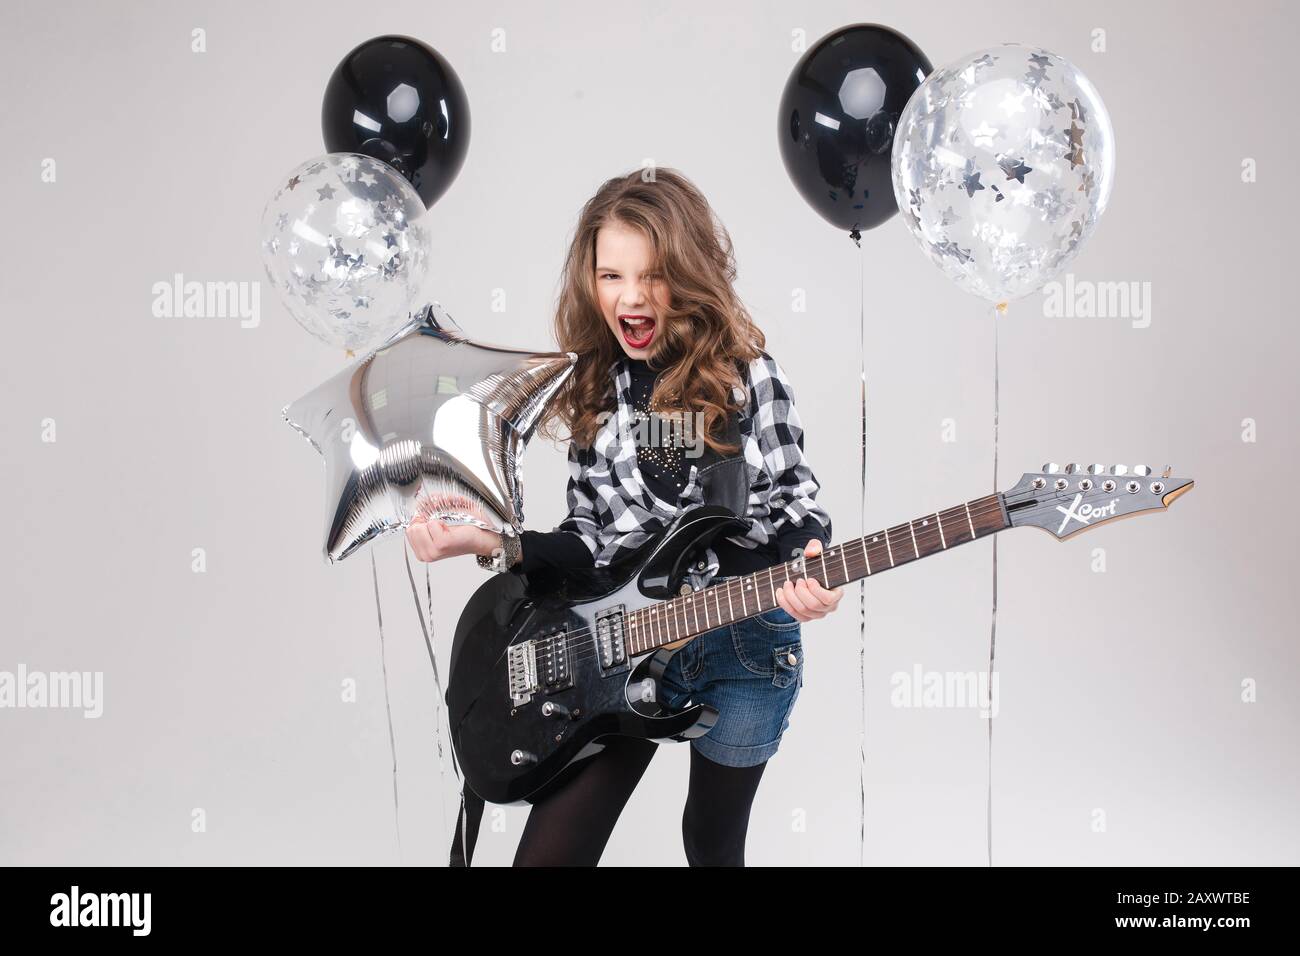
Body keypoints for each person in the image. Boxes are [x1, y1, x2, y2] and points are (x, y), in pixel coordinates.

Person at [407, 168, 843, 866]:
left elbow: (796, 504)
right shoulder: (598, 389)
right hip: (625, 640)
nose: (631, 297)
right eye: (611, 276)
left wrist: (813, 561)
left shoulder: (749, 375)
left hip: (746, 644)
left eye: (652, 276)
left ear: (689, 273)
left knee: (710, 841)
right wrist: (488, 542)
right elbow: (590, 540)